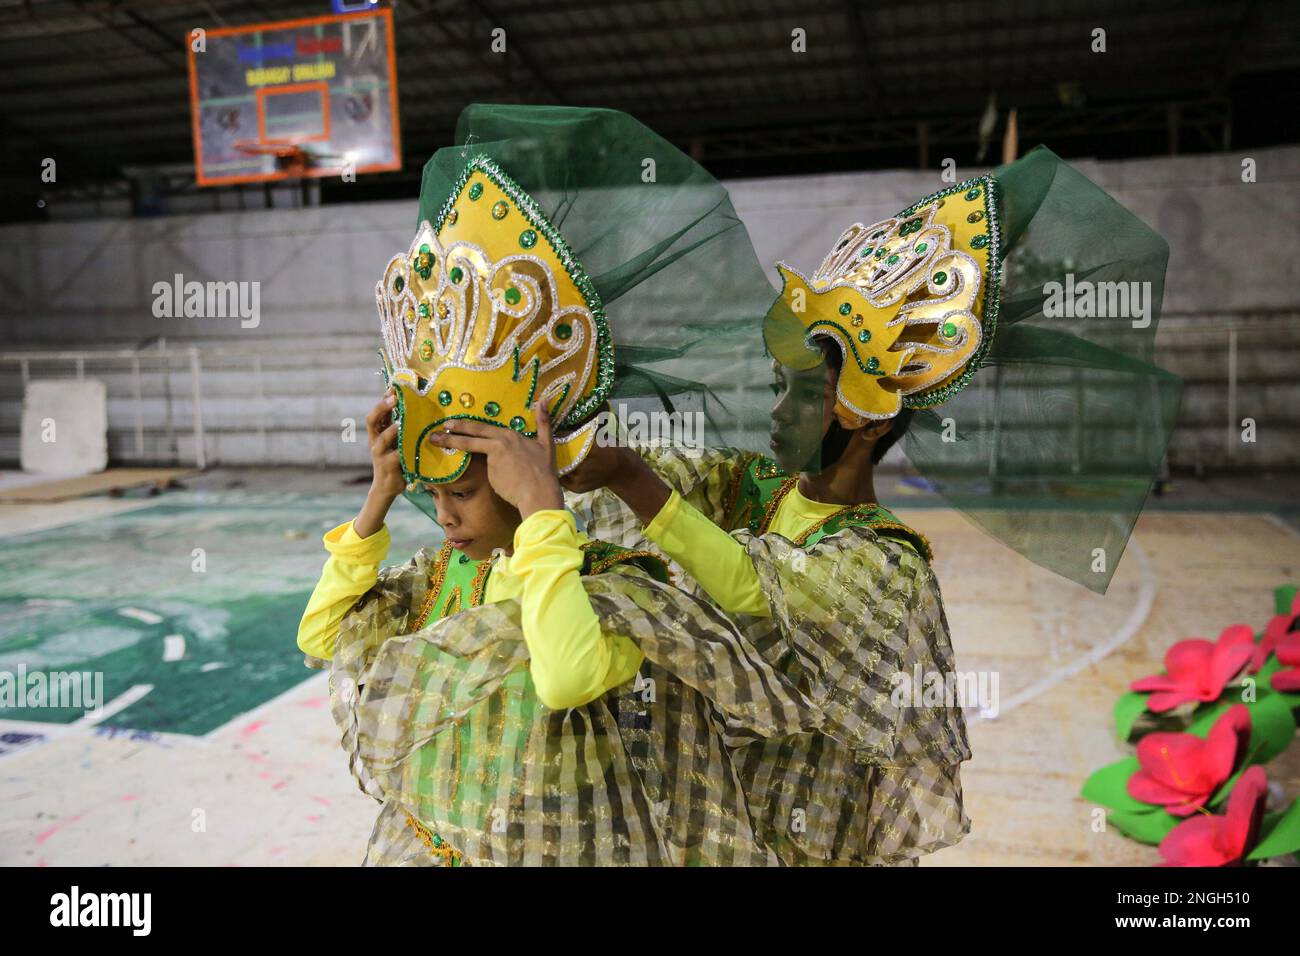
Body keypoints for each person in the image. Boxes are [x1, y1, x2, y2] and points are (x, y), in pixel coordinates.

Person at [565, 145, 1182, 865]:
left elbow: (745, 582)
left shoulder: (886, 567)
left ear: (872, 418)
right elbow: (663, 474)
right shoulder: (753, 489)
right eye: (777, 386)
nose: (776, 409)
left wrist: (631, 476)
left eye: (802, 392)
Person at [296, 104, 821, 866]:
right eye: (431, 494)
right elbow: (322, 638)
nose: (442, 515)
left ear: (520, 480)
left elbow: (568, 677)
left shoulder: (613, 589)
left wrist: (544, 508)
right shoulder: (446, 577)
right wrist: (377, 499)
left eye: (464, 493)